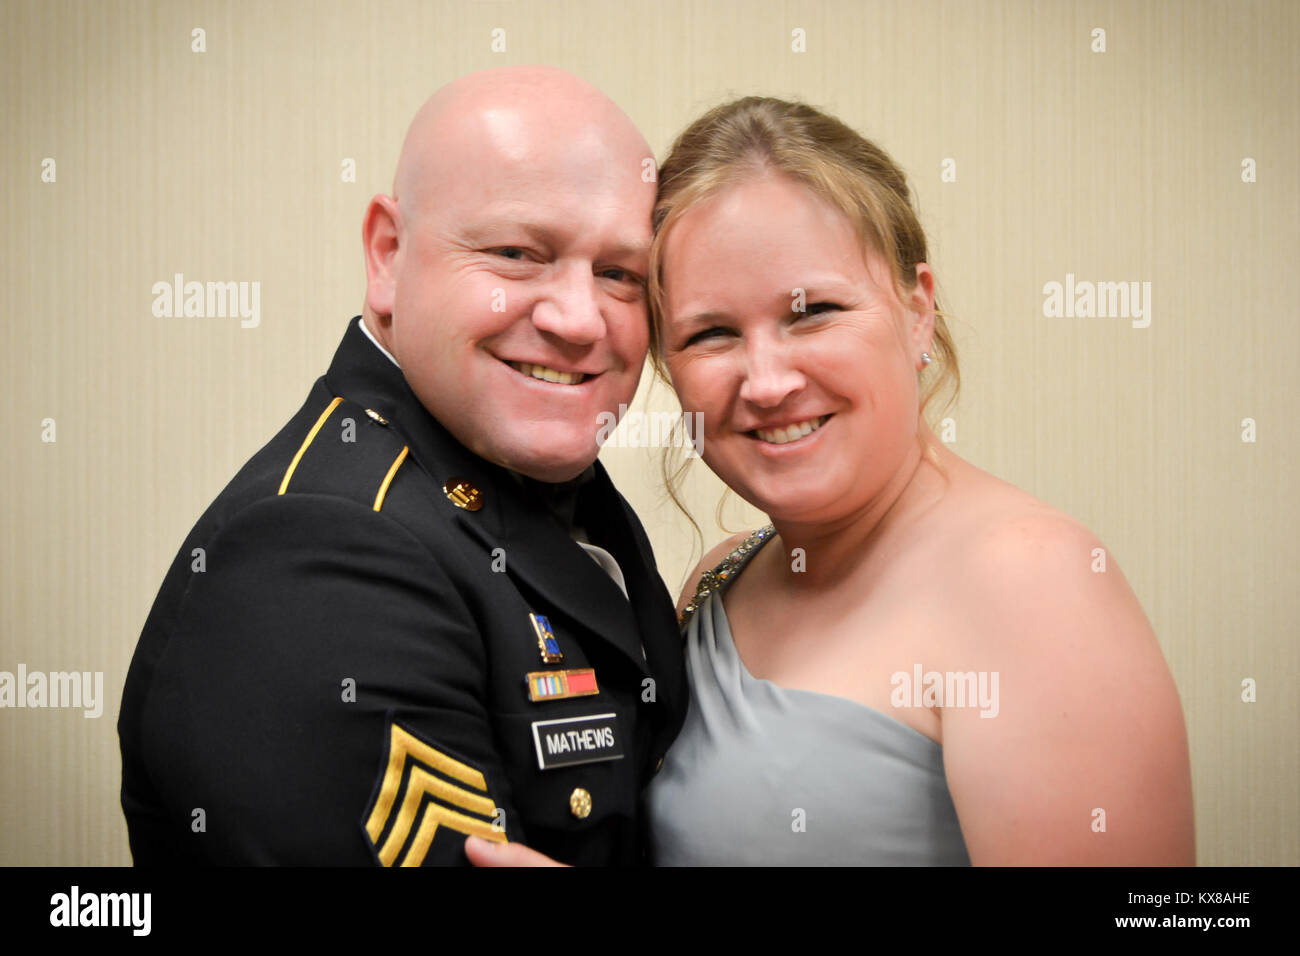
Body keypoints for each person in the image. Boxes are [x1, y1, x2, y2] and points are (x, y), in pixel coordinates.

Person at [117, 66, 687, 866]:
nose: (580, 319)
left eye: (620, 274)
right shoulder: (322, 550)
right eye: (518, 253)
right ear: (388, 256)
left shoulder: (532, 478)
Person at [640, 96, 1196, 865]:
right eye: (712, 333)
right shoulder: (719, 580)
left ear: (917, 311)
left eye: (813, 313)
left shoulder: (1033, 583)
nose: (766, 382)